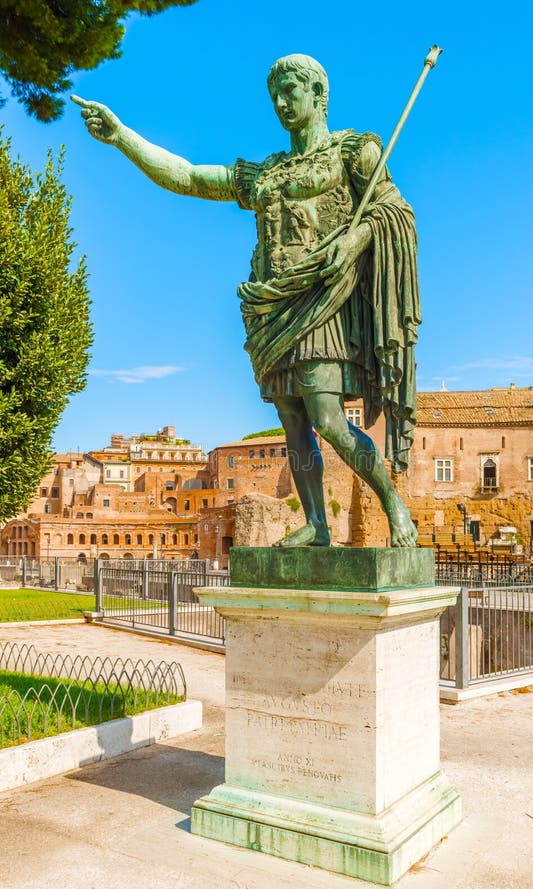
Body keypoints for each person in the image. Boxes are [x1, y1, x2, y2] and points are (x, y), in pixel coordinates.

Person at [73, 53, 421, 548]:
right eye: (274, 95)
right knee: (295, 421)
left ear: (319, 95)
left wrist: (357, 238)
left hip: (323, 302)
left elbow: (395, 212)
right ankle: (317, 524)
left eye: (291, 92)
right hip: (272, 309)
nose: (280, 103)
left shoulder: (354, 153)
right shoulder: (265, 174)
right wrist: (122, 136)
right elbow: (188, 177)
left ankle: (393, 505)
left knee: (326, 416)